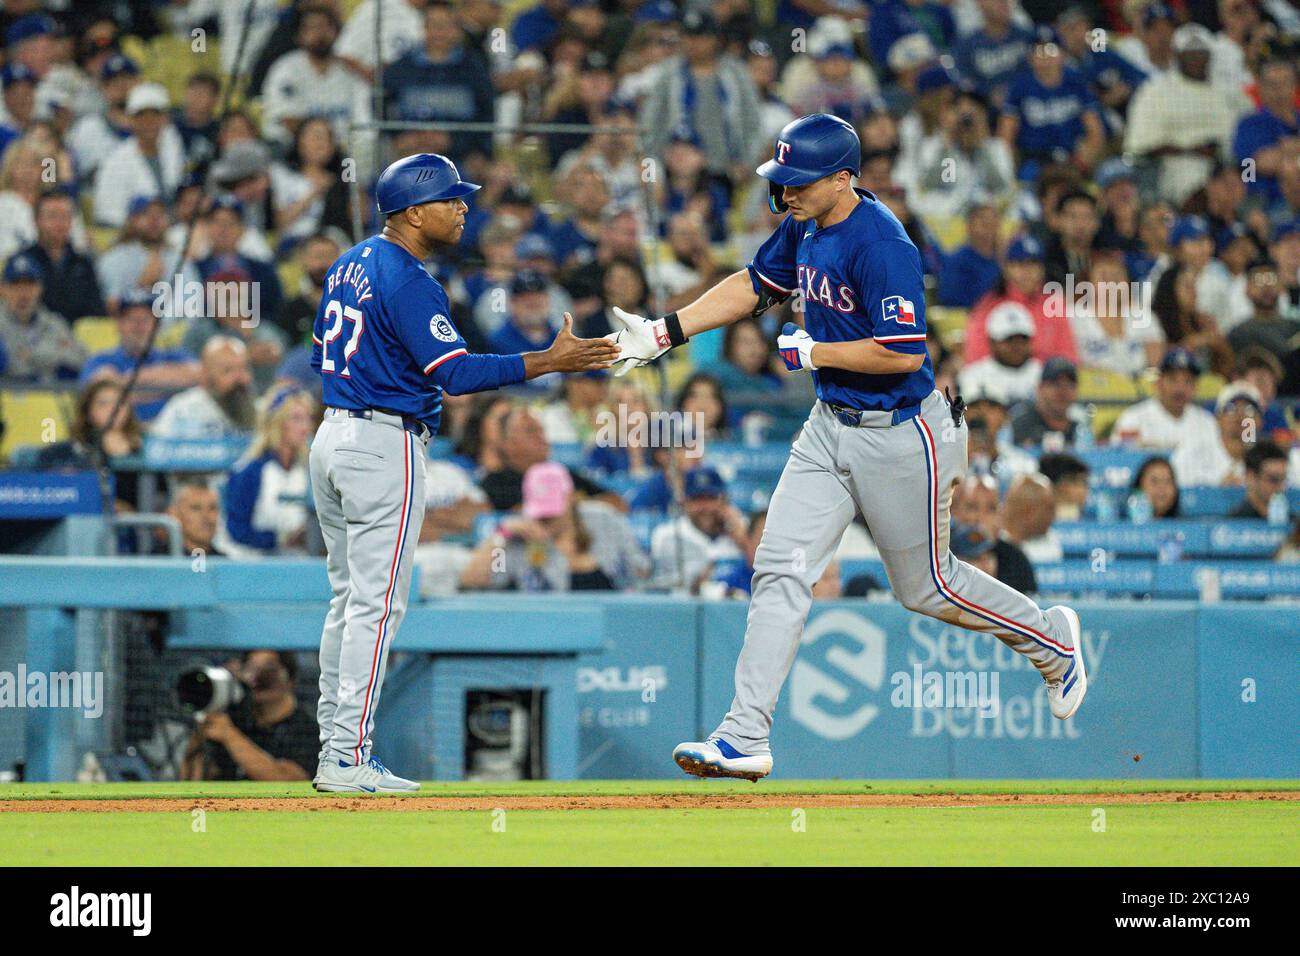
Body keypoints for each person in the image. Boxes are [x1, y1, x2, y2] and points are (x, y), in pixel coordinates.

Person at [607, 114, 1086, 781]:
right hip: (830, 426)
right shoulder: (805, 220)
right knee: (778, 566)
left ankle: (1053, 643)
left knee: (928, 589)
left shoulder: (881, 241)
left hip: (902, 431)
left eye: (798, 182)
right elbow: (754, 283)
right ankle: (744, 735)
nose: (785, 193)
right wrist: (666, 331)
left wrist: (817, 350)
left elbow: (902, 352)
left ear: (843, 178)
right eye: (781, 182)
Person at [308, 153, 616, 794]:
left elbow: (322, 355)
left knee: (349, 601)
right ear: (414, 212)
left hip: (334, 433)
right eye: (450, 200)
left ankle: (334, 750)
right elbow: (453, 374)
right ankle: (346, 756)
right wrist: (544, 361)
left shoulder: (349, 262)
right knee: (377, 605)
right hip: (382, 441)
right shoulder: (407, 277)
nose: (463, 209)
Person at [181, 650, 318, 782]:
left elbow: (292, 782)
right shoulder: (237, 720)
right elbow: (192, 779)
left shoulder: (306, 728)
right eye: (251, 667)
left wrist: (229, 735)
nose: (258, 677)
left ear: (290, 680)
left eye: (268, 668)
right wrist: (200, 734)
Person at [79, 289, 200, 422]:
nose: (138, 325)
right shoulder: (100, 360)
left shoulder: (174, 356)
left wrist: (123, 383)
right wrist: (168, 383)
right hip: (123, 432)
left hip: (172, 432)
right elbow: (96, 394)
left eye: (145, 319)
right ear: (118, 325)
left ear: (157, 325)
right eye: (131, 318)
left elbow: (200, 376)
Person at [223, 388, 317, 555]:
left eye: (308, 419)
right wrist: (280, 538)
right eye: (296, 419)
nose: (305, 427)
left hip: (295, 561)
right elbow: (236, 531)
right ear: (276, 422)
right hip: (248, 561)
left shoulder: (307, 469)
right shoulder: (249, 470)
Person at [649, 466, 748, 593]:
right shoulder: (666, 535)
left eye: (711, 498)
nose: (705, 507)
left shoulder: (742, 529)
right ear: (685, 502)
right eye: (698, 499)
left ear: (724, 500)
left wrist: (743, 540)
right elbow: (672, 588)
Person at [1110, 347, 1219, 450]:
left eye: (1187, 381)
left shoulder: (1206, 422)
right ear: (1158, 383)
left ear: (1195, 387)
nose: (1180, 389)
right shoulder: (1134, 418)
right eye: (1173, 380)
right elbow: (1121, 459)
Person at [151, 337, 258, 441]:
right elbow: (158, 450)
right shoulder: (183, 411)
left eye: (244, 368)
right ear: (205, 375)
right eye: (228, 370)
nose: (240, 378)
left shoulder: (259, 411)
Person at [0, 251, 84, 382]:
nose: (23, 294)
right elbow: (14, 369)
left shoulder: (55, 323)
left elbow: (81, 359)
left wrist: (31, 356)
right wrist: (55, 357)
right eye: (16, 285)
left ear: (40, 288)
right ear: (2, 289)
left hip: (53, 399)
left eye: (30, 285)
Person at [951, 474, 1036, 593]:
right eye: (972, 507)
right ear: (955, 511)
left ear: (1000, 515)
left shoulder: (1016, 559)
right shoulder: (940, 554)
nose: (981, 517)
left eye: (991, 508)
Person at [1171, 382, 1263, 487]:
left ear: (1259, 421)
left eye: (1249, 410)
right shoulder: (1193, 450)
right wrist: (1217, 487)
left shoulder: (1267, 459)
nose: (1240, 415)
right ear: (1218, 417)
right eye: (1231, 409)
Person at [1010, 357, 1084, 450]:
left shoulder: (1080, 429)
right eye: (1055, 384)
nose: (1063, 391)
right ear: (1040, 388)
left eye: (1070, 385)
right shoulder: (1020, 426)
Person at [1228, 440, 1289, 519]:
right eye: (1274, 479)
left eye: (1283, 479)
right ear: (1250, 477)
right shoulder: (1232, 525)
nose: (1281, 487)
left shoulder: (1294, 526)